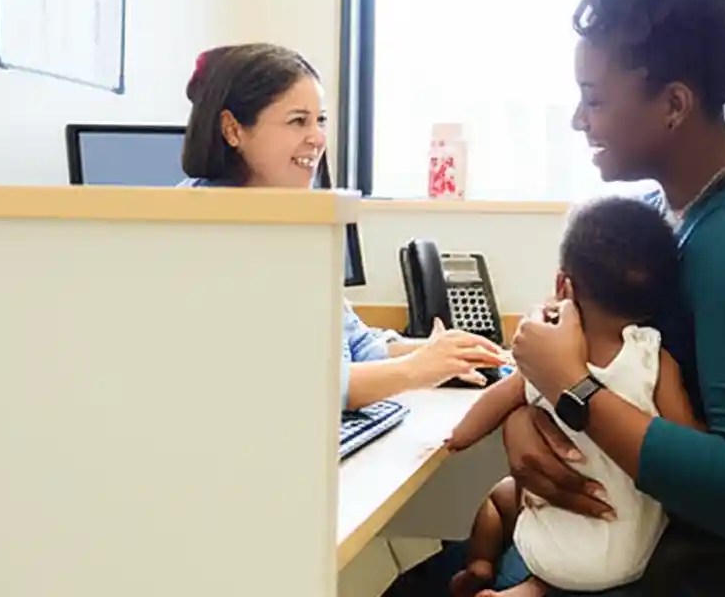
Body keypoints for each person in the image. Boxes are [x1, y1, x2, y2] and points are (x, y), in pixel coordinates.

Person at [484, 0, 725, 596]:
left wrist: (571, 393)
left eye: (594, 100)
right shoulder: (646, 226)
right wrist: (521, 420)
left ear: (672, 104)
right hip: (596, 549)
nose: (579, 119)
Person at [178, 42, 506, 410]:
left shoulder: (292, 220)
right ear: (232, 129)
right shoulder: (202, 230)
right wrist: (416, 369)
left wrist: (441, 353)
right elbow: (304, 384)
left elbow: (354, 346)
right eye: (297, 121)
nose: (317, 138)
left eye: (320, 120)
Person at [445, 197, 702, 597]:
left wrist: (456, 438)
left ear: (563, 285)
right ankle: (533, 590)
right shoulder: (655, 360)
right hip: (628, 556)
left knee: (499, 499)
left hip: (551, 547)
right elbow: (688, 444)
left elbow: (489, 408)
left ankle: (484, 567)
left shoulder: (545, 358)